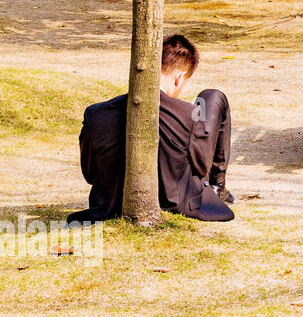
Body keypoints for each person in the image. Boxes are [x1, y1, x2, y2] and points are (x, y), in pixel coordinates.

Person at [71, 34, 234, 223]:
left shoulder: (96, 114)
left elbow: (90, 174)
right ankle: (217, 188)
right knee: (212, 97)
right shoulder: (188, 115)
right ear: (179, 78)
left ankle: (216, 188)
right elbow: (201, 165)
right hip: (176, 201)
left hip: (109, 204)